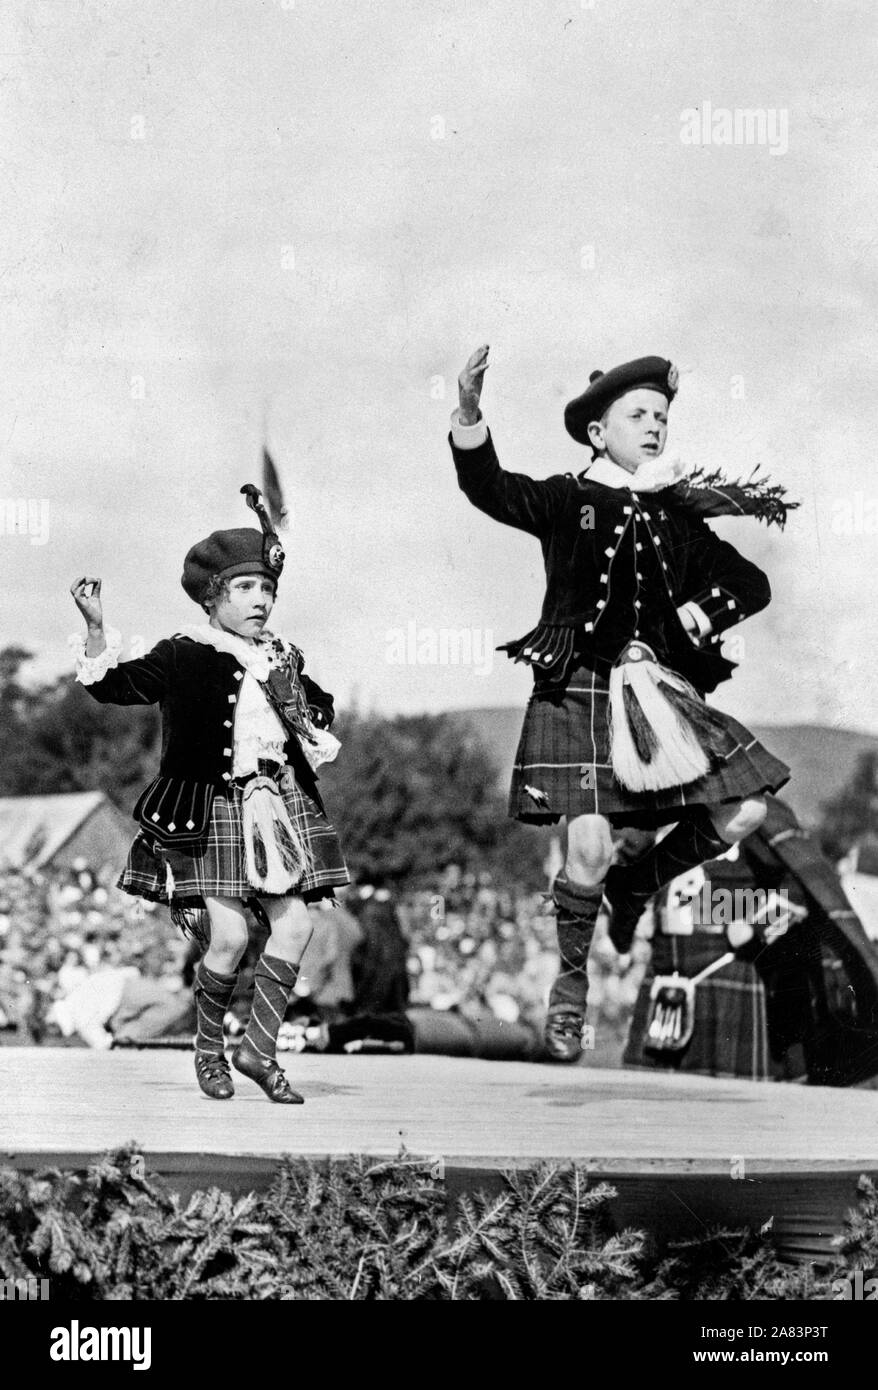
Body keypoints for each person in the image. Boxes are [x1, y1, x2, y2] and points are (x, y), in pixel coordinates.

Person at [450, 345, 794, 1062]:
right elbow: (488, 488)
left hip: (660, 698)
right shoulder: (566, 498)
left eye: (662, 416)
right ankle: (570, 991)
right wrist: (470, 413)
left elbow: (751, 584)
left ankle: (636, 886)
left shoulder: (679, 517)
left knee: (748, 809)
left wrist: (700, 616)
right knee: (587, 844)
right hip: (578, 686)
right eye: (637, 414)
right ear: (597, 433)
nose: (655, 427)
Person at [70, 484, 349, 1102]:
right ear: (212, 596)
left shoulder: (282, 656)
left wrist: (300, 702)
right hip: (211, 808)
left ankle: (258, 1049)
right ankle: (208, 1053)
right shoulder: (186, 653)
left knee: (296, 926)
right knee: (228, 938)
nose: (261, 601)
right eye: (245, 589)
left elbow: (319, 713)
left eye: (268, 589)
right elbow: (115, 685)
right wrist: (95, 629)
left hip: (278, 803)